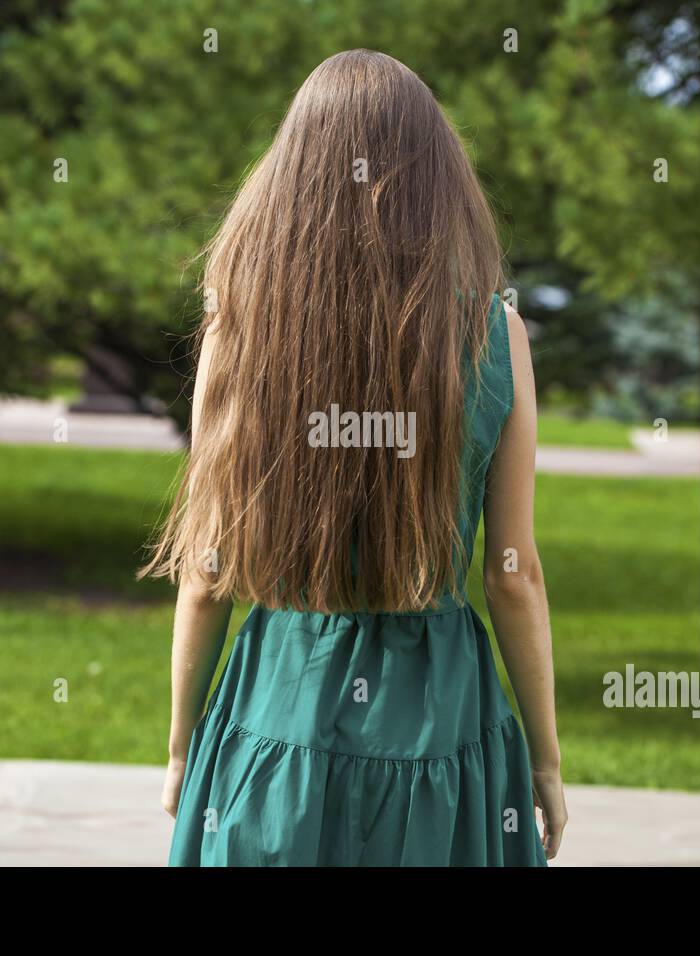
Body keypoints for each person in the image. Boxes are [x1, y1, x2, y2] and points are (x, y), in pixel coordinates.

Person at [143, 49, 566, 866]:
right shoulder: (494, 334)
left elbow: (206, 565)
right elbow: (512, 572)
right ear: (437, 178)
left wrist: (178, 744)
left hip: (279, 700)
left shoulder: (239, 328)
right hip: (441, 716)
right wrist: (544, 764)